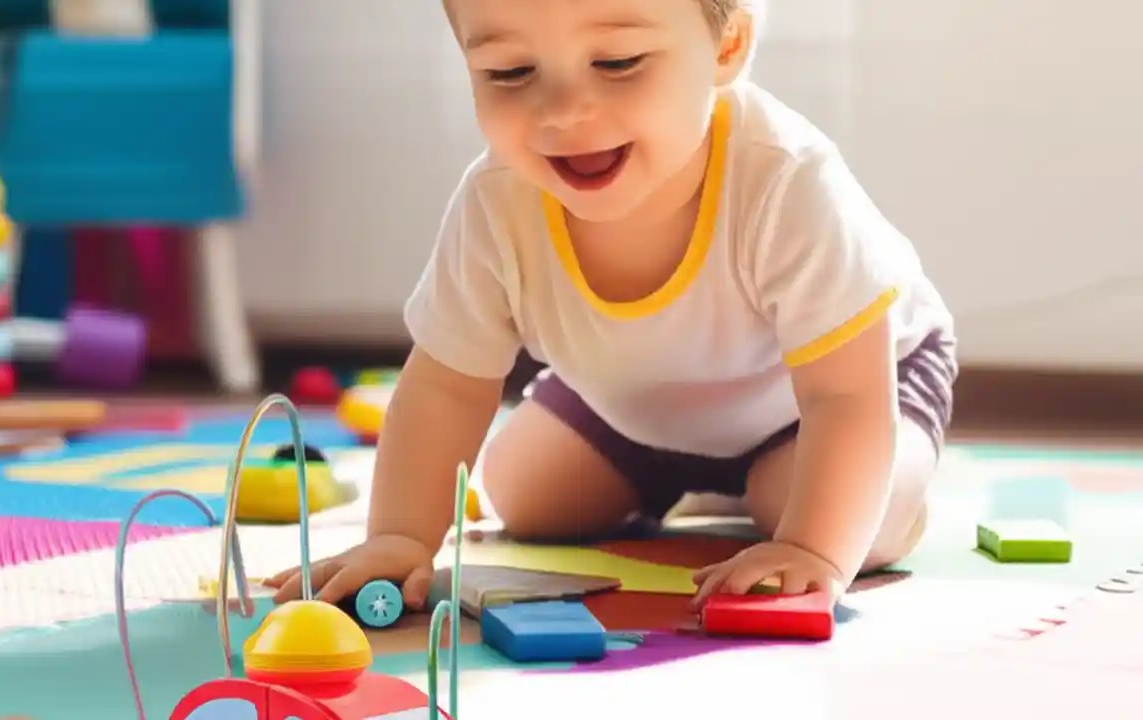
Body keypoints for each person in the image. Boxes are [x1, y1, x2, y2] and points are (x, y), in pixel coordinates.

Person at [266, 0, 957, 611]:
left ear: (726, 50)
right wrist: (399, 536)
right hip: (631, 396)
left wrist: (815, 551)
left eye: (619, 61)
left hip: (830, 397)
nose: (564, 112)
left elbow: (846, 397)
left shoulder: (785, 180)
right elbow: (445, 386)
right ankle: (704, 482)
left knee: (828, 513)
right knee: (525, 494)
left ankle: (798, 489)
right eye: (509, 72)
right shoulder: (496, 205)